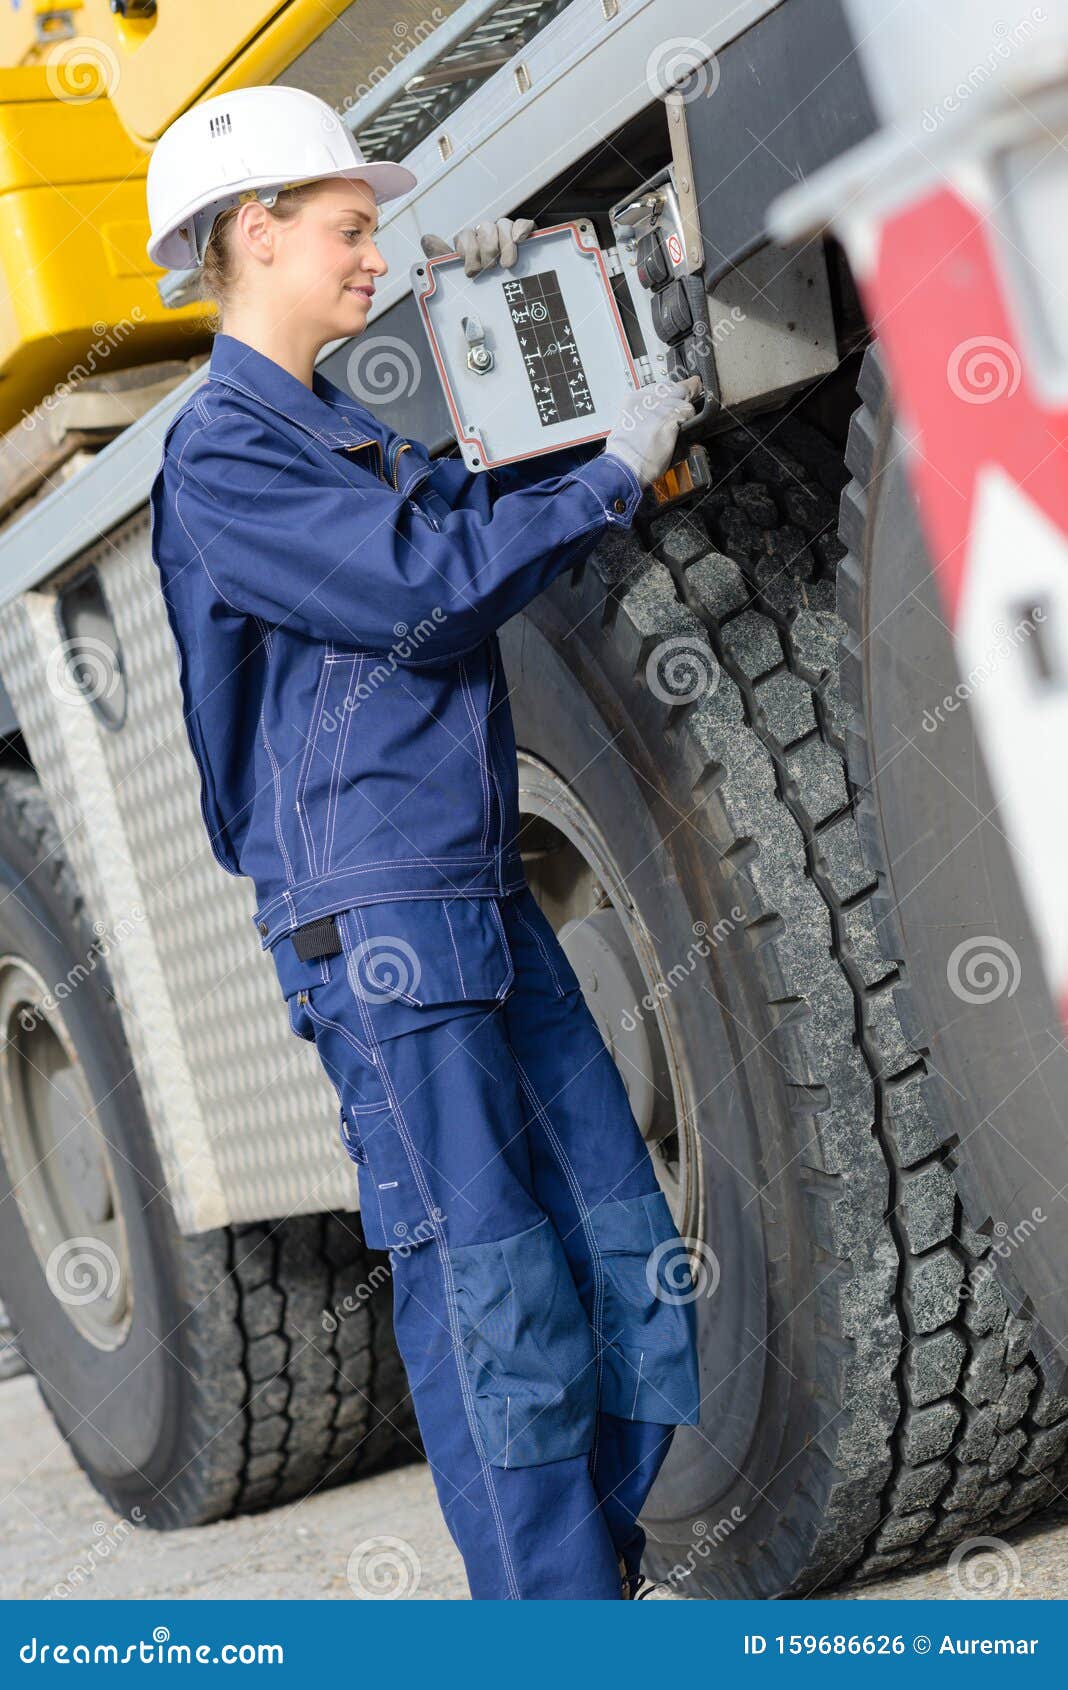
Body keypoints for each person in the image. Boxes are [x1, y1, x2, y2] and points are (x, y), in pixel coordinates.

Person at [146, 83, 702, 1601]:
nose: (371, 258)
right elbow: (422, 585)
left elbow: (474, 504)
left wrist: (528, 322)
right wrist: (601, 477)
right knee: (494, 1282)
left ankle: (599, 1576)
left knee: (615, 1239)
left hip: (465, 890)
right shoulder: (222, 459)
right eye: (347, 228)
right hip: (378, 914)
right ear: (250, 234)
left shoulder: (331, 432)